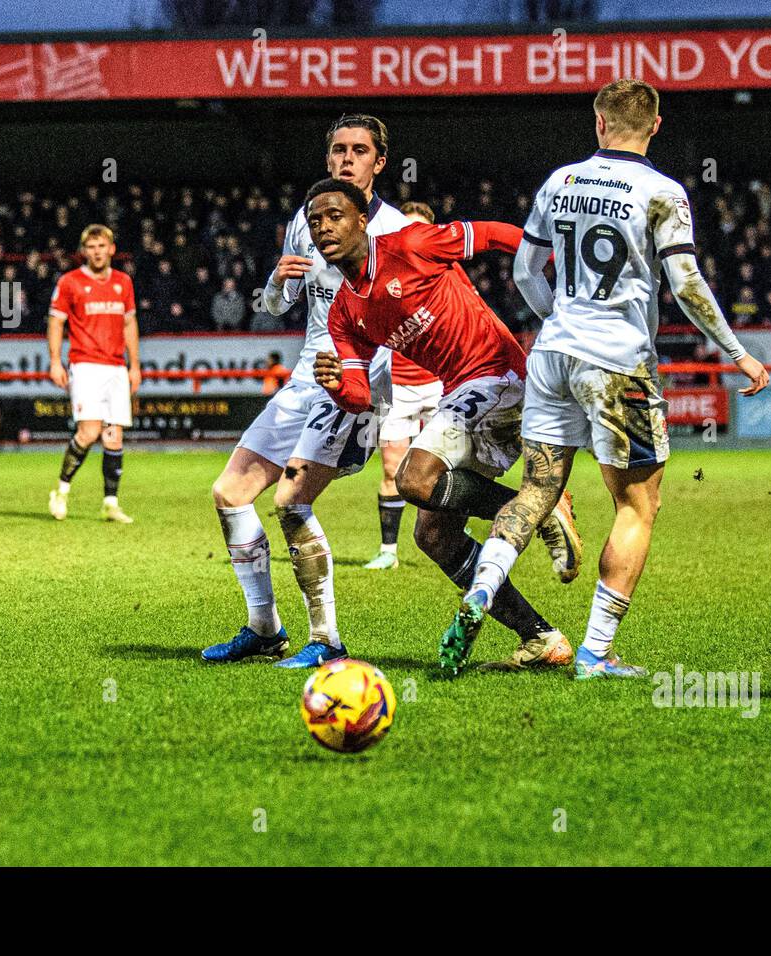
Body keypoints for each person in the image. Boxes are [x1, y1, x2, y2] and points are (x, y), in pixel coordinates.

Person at [444, 78, 768, 677]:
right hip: (616, 364)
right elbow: (687, 283)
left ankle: (484, 588)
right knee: (636, 505)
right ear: (656, 126)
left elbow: (523, 271)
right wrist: (736, 351)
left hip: (551, 354)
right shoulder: (661, 191)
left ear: (598, 123)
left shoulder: (560, 181)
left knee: (539, 489)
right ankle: (595, 652)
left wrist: (560, 321)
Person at [308, 177, 581, 673]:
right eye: (315, 222)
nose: (324, 227)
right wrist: (333, 385)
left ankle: (537, 506)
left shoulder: (411, 244)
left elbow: (496, 234)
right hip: (463, 390)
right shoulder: (345, 314)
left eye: (335, 216)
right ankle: (540, 637)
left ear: (362, 221)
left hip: (499, 372)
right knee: (432, 536)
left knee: (413, 478)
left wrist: (562, 276)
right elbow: (360, 397)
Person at [202, 115, 410, 669]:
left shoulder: (395, 231)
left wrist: (370, 383)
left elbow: (413, 317)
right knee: (229, 494)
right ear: (327, 160)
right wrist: (274, 283)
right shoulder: (306, 221)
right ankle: (264, 627)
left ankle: (328, 640)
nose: (347, 159)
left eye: (359, 151)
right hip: (304, 376)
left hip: (355, 379)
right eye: (339, 149)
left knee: (292, 501)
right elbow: (276, 309)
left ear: (379, 163)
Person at [363, 201, 444, 570]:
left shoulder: (446, 274)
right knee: (393, 469)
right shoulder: (380, 277)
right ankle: (389, 552)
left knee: (446, 467)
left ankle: (446, 539)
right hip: (398, 390)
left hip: (443, 385)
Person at [47, 224, 141, 524]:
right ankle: (61, 491)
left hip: (115, 367)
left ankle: (110, 503)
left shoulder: (123, 282)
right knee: (88, 432)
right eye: (91, 247)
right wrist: (54, 361)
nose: (97, 252)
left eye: (102, 246)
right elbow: (55, 322)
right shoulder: (70, 282)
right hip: (85, 365)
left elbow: (129, 324)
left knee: (113, 436)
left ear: (111, 249)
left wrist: (135, 365)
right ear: (83, 251)